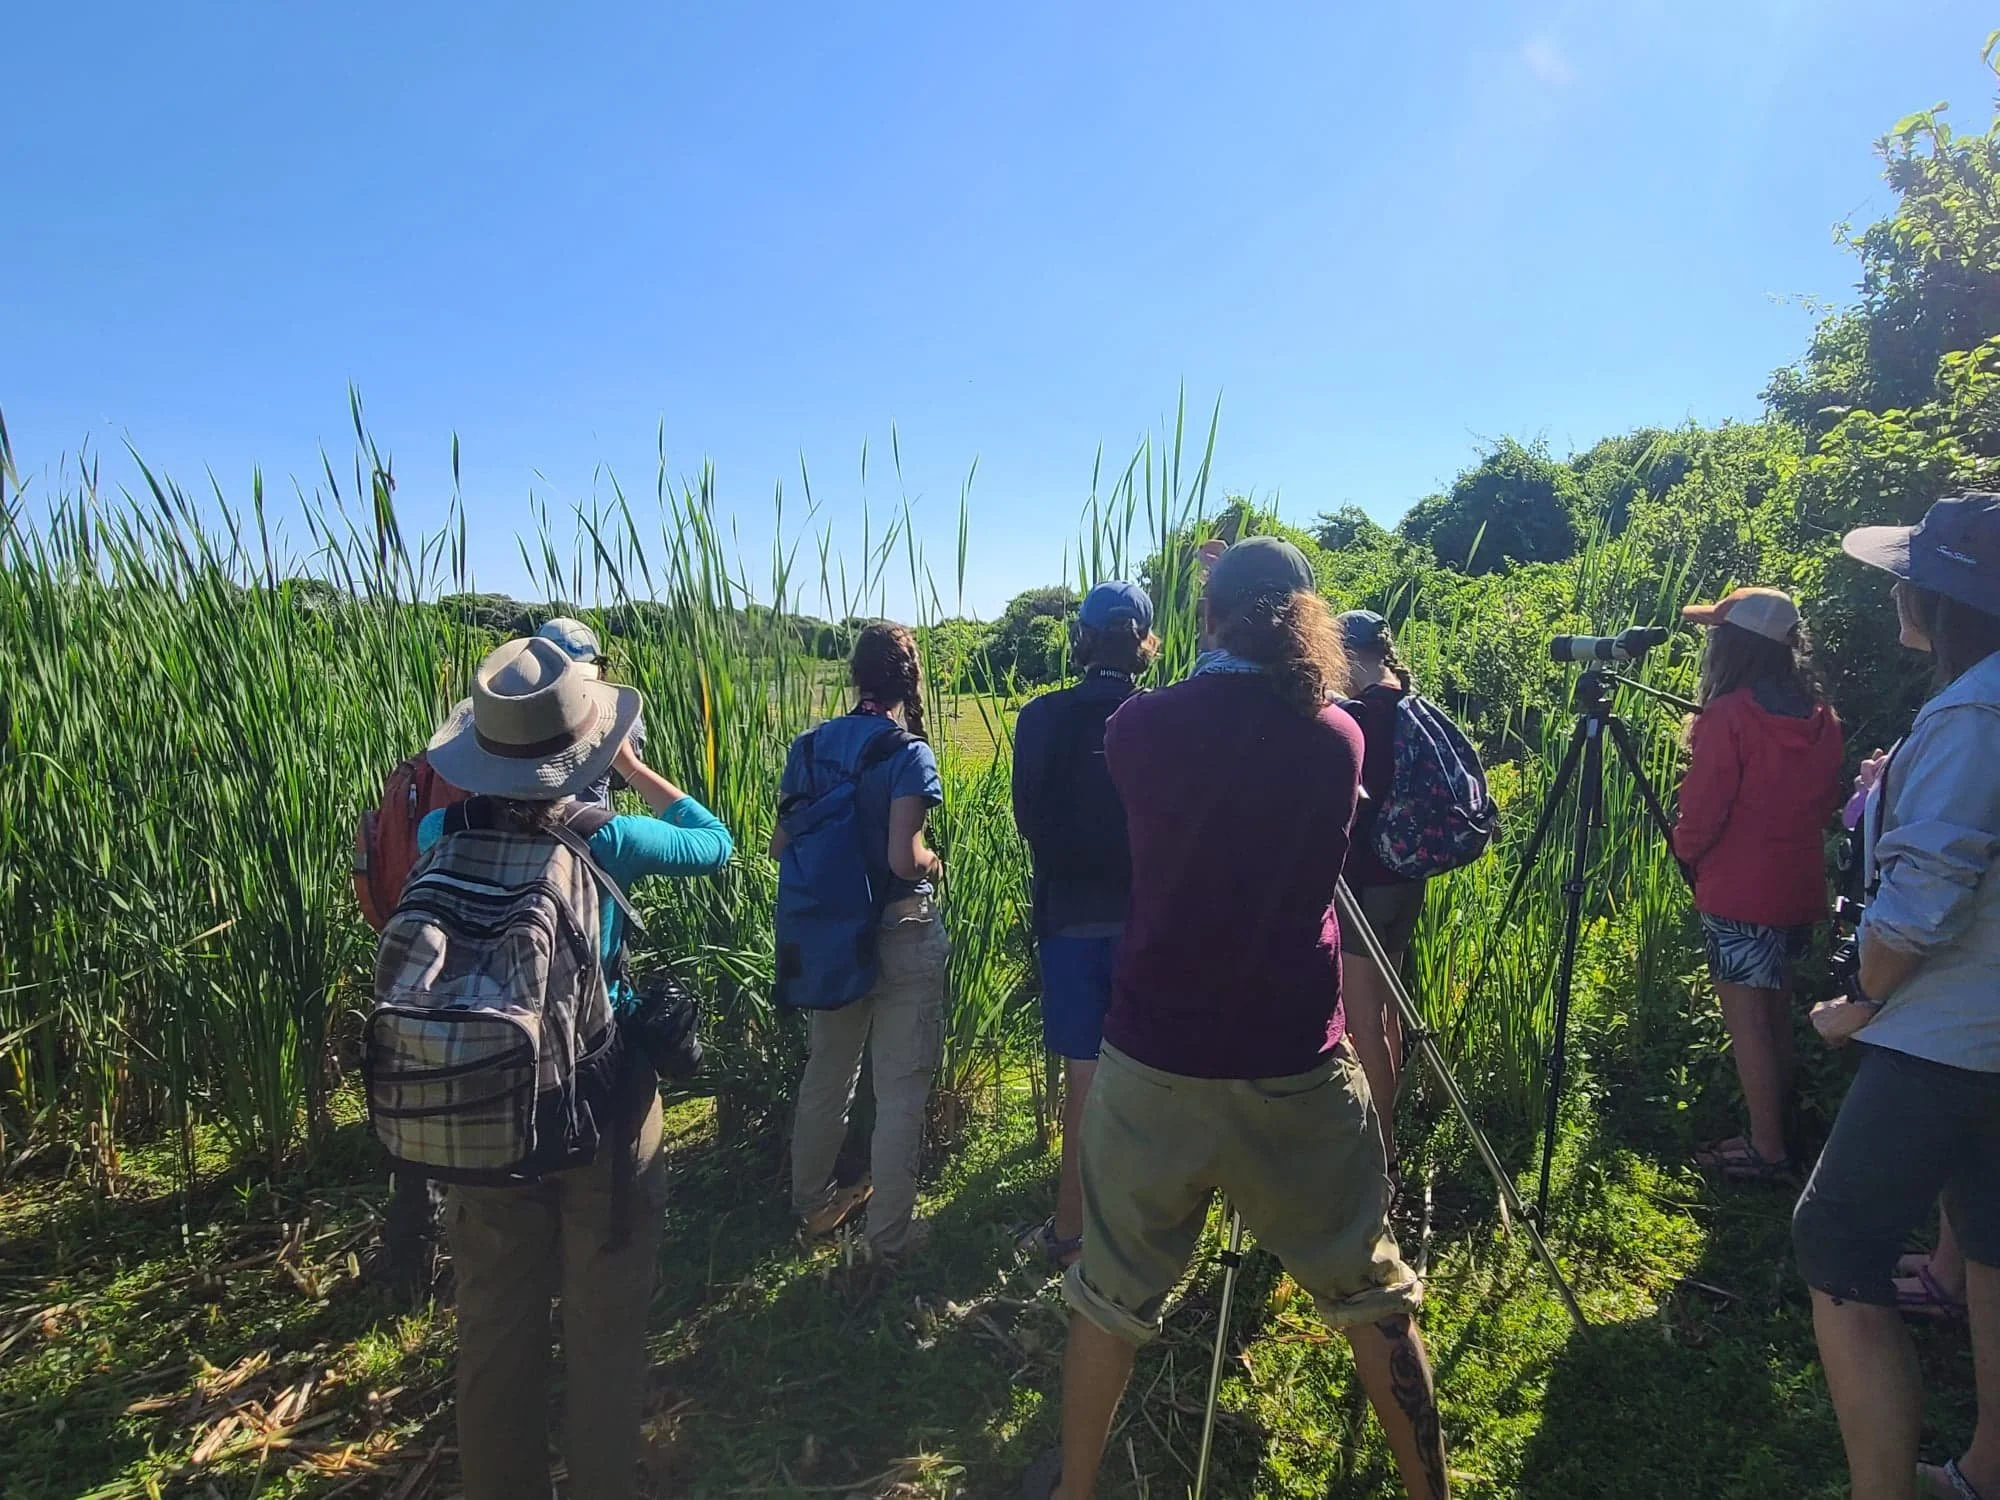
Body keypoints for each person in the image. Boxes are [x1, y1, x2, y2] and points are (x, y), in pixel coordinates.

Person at [1032, 537, 1446, 1500]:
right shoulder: (1336, 736)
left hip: (1153, 1057)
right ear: (1307, 618)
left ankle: (1076, 1488)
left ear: (1208, 618)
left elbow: (1180, 758)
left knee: (1109, 1289)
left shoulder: (1139, 729)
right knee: (1373, 1294)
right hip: (1293, 1055)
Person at [418, 635, 734, 1500]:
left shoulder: (438, 829)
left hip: (485, 1103)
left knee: (492, 1326)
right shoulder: (612, 839)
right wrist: (630, 769)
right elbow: (715, 841)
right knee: (603, 1330)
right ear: (586, 745)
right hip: (601, 1108)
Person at [1793, 493, 2000, 1500]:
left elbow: (1920, 911)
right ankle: (1979, 1474)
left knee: (1833, 1244)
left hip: (1944, 1038)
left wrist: (1856, 1004)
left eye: (1904, 582)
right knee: (1992, 1243)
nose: (1892, 598)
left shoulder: (1972, 710)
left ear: (1943, 599)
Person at [778, 621, 949, 1264]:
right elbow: (904, 859)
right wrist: (935, 862)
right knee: (901, 1084)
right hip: (900, 929)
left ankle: (812, 1202)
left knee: (829, 1069)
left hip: (830, 934)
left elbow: (782, 846)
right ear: (909, 681)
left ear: (855, 677)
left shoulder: (810, 746)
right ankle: (889, 1237)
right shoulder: (908, 753)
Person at [1669, 587, 1844, 1181]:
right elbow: (1823, 802)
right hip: (1796, 885)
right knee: (1774, 1012)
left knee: (1747, 1025)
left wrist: (1683, 850)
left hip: (1739, 890)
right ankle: (1784, 1130)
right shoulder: (1821, 718)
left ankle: (1767, 1149)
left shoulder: (1729, 715)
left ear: (1734, 646)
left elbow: (1703, 808)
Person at [1011, 581, 1156, 1268]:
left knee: (1085, 1084)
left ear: (1083, 643)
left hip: (1070, 922)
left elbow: (1030, 823)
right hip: (1150, 928)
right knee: (1154, 1084)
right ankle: (1139, 1233)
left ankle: (1070, 1234)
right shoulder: (1161, 718)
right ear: (1145, 647)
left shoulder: (1040, 718)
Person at [1336, 608, 1425, 1176]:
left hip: (1364, 884)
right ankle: (1386, 1138)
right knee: (1386, 1013)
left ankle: (1379, 1154)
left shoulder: (1358, 717)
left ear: (1348, 655)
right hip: (1406, 882)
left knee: (1363, 1019)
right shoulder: (1416, 706)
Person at [535, 616, 648, 808]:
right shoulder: (622, 713)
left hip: (513, 831)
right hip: (591, 830)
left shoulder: (505, 716)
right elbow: (621, 780)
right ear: (597, 668)